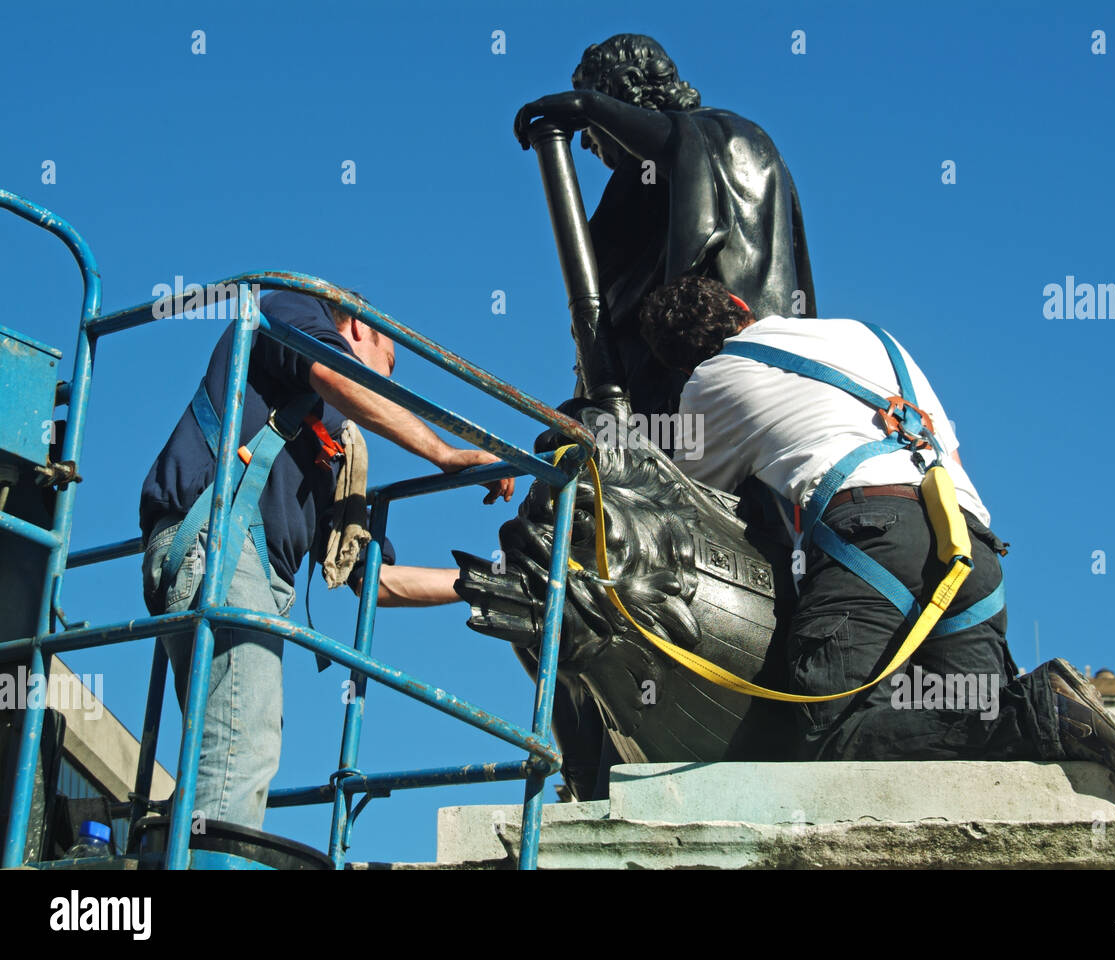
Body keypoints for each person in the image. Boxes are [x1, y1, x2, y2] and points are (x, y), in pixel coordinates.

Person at [638, 275, 1115, 817]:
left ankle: (1046, 715)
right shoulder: (866, 335)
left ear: (682, 361)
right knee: (979, 740)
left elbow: (697, 504)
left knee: (831, 728)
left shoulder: (711, 380)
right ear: (742, 306)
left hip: (874, 538)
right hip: (971, 544)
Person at [139, 289, 513, 830]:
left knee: (223, 747)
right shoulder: (292, 305)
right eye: (390, 363)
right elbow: (337, 375)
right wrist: (443, 452)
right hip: (216, 545)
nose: (389, 385)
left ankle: (168, 855)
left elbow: (373, 582)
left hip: (250, 573)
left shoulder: (335, 444)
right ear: (358, 326)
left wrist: (484, 583)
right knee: (242, 748)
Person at [514, 33, 817, 419]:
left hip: (723, 375)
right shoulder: (650, 181)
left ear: (621, 91)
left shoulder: (721, 135)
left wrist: (590, 107)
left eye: (590, 127)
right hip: (675, 393)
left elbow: (678, 146)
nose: (588, 143)